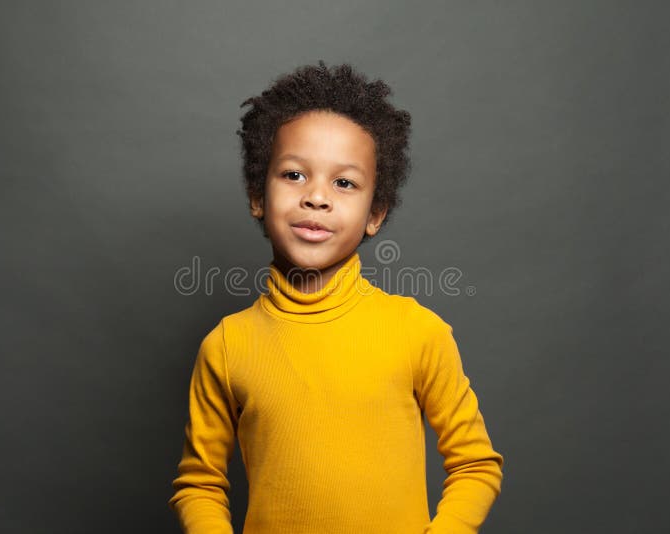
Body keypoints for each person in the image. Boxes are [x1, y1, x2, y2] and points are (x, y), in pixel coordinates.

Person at [168, 60, 504, 533]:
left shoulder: (417, 332)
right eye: (294, 175)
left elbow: (476, 465)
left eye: (344, 183)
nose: (317, 197)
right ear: (258, 196)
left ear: (375, 214)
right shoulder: (226, 348)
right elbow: (199, 484)